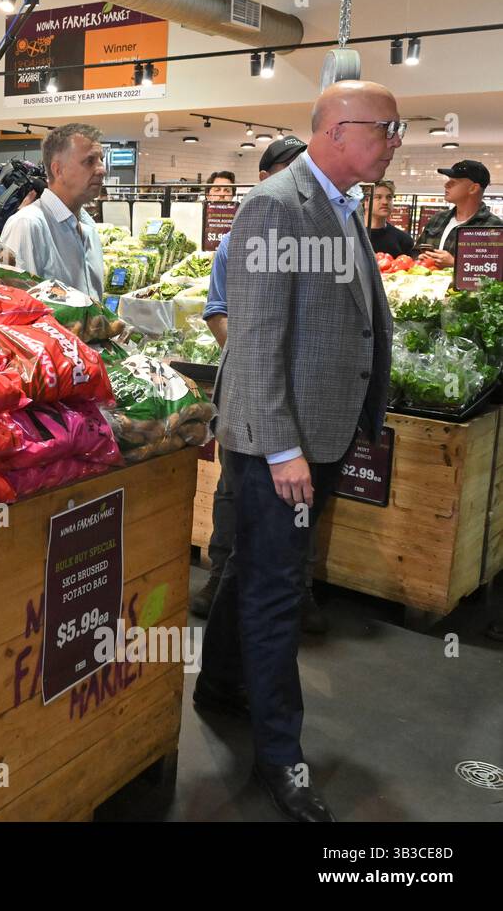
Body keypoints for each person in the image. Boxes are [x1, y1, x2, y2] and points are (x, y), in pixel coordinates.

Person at [197, 81, 398, 822]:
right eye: (388, 127)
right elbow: (252, 342)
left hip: (321, 435)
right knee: (278, 594)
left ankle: (217, 684)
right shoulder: (275, 206)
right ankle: (283, 757)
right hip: (283, 447)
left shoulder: (341, 206)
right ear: (340, 130)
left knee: (260, 569)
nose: (396, 140)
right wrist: (284, 452)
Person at [195, 135, 330, 636]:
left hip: (300, 392)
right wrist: (254, 360)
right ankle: (218, 582)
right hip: (249, 389)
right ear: (271, 174)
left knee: (300, 496)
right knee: (234, 490)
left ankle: (302, 589)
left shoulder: (322, 235)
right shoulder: (238, 240)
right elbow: (217, 312)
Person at [0, 123, 106, 298]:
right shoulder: (27, 225)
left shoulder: (89, 227)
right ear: (58, 170)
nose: (102, 169)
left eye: (101, 159)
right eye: (90, 161)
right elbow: (14, 306)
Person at [414, 160, 503, 269]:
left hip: (465, 286)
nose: (446, 185)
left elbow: (497, 269)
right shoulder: (437, 219)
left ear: (473, 188)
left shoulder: (494, 227)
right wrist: (420, 258)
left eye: (454, 182)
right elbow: (415, 253)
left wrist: (455, 263)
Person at [364, 179, 415, 257]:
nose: (385, 202)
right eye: (378, 197)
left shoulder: (404, 240)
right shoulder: (350, 234)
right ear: (366, 202)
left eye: (389, 197)